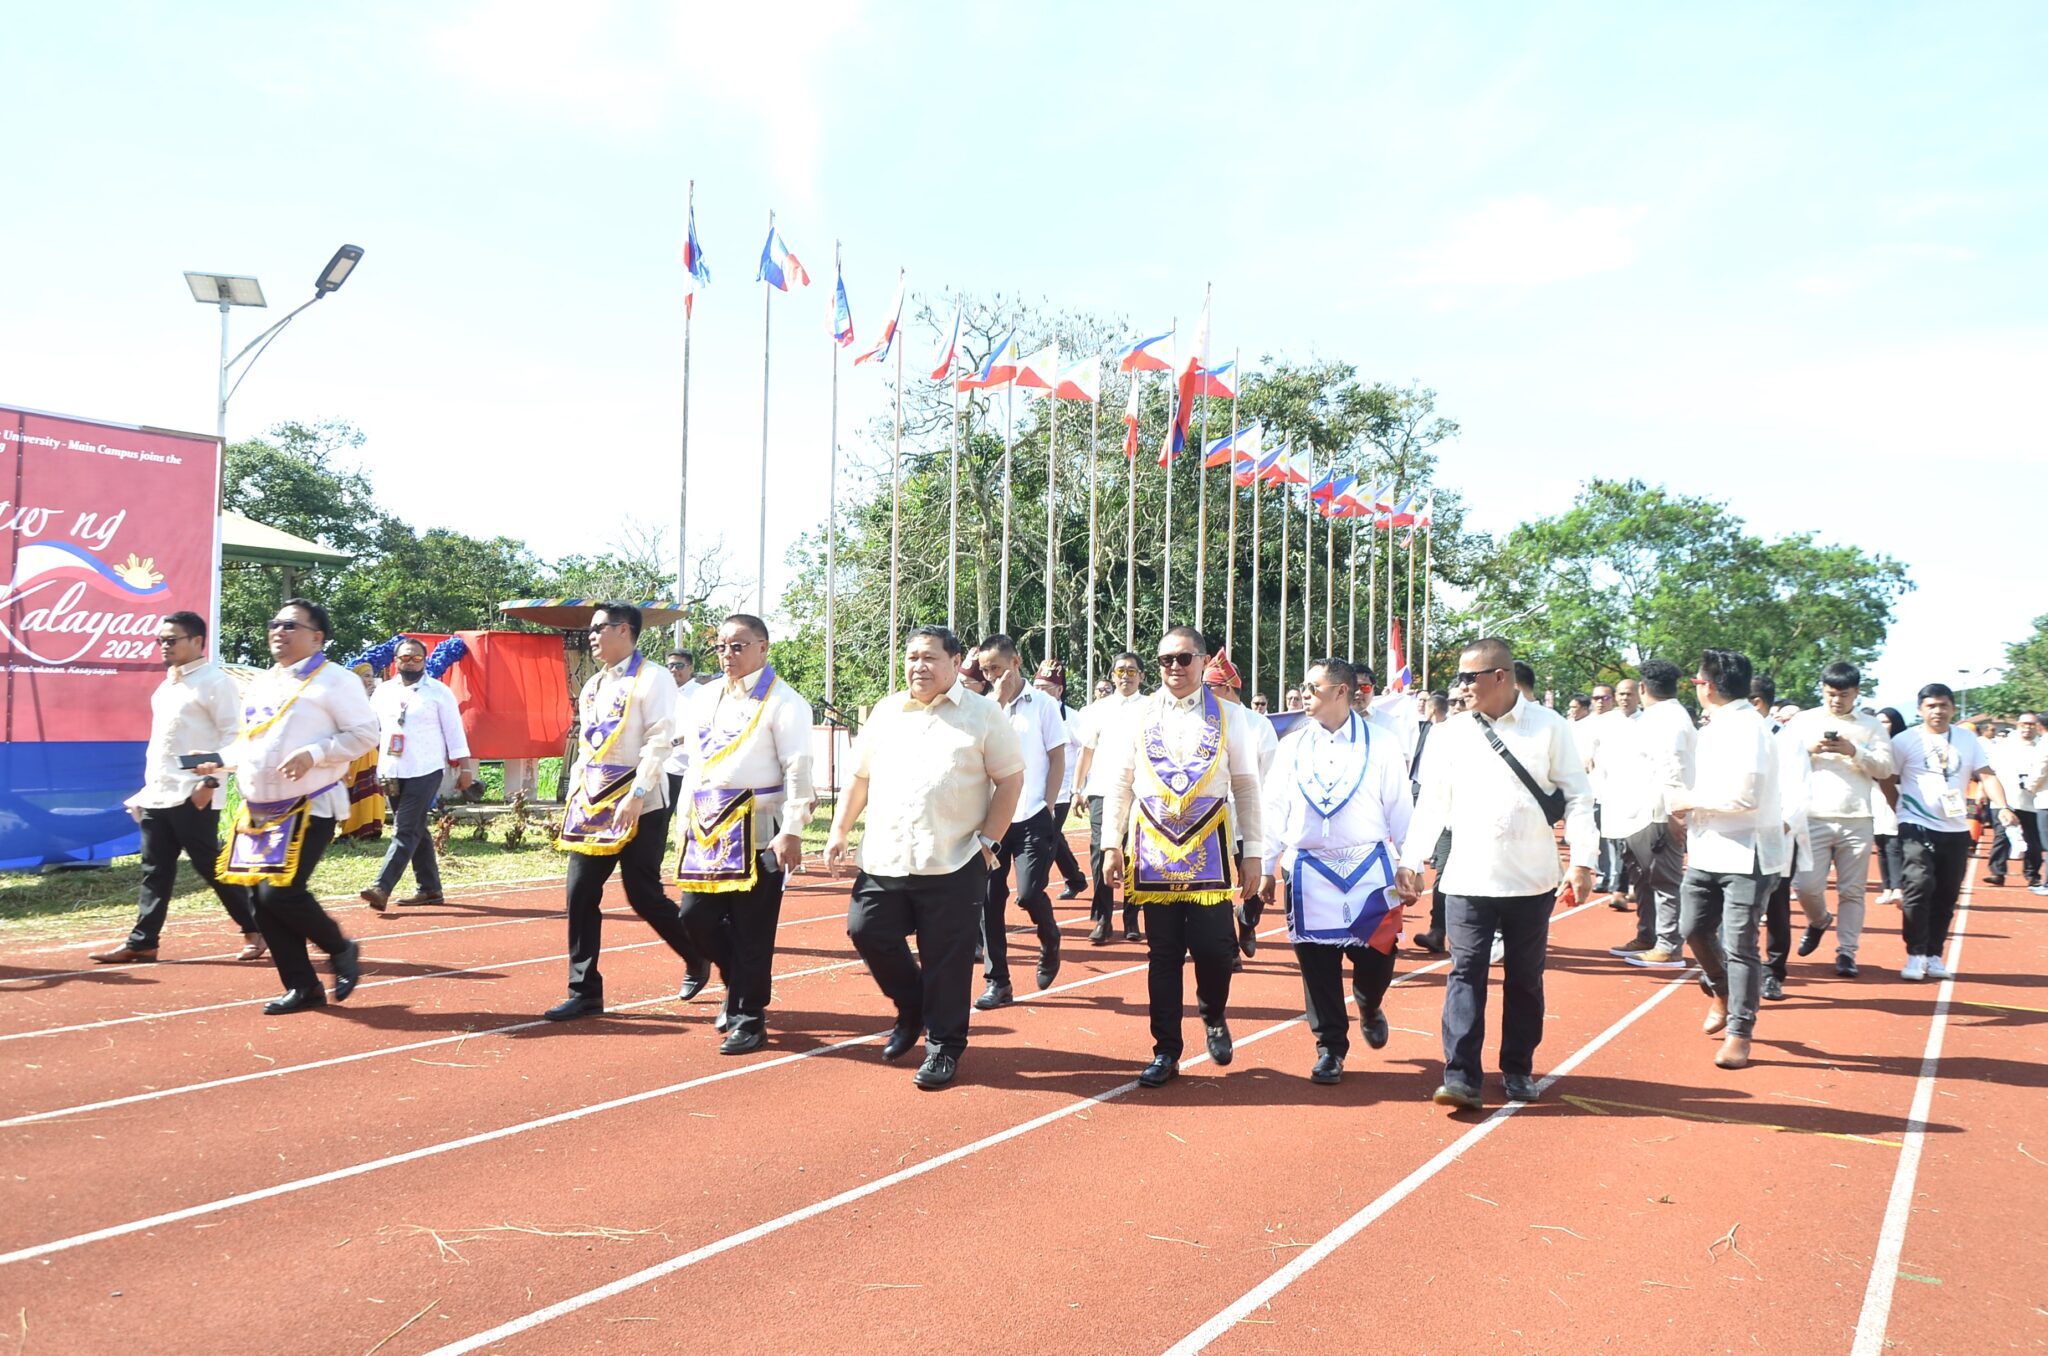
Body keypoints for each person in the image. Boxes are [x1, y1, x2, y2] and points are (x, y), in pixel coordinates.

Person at [1397, 638, 1594, 1111]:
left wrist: (1583, 860)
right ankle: (1461, 1075)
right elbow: (1432, 804)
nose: (1461, 686)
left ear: (1500, 677)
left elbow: (1579, 796)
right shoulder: (1450, 734)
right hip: (1467, 877)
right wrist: (1411, 860)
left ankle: (1518, 1067)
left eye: (1470, 677)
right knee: (1465, 972)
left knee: (1525, 979)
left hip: (1532, 879)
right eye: (1461, 678)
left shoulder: (1550, 728)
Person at [826, 625, 1023, 1090]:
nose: (919, 665)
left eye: (930, 657)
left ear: (956, 663)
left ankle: (943, 1047)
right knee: (866, 929)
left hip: (954, 859)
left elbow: (1011, 780)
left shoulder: (984, 714)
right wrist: (838, 831)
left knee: (947, 959)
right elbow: (859, 778)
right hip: (885, 856)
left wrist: (989, 841)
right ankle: (911, 1006)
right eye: (912, 657)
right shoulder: (887, 711)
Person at [1101, 626, 1267, 1089]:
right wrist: (1110, 844)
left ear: (1200, 661)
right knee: (1163, 954)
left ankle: (1213, 1013)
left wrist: (1253, 853)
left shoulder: (1231, 717)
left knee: (1216, 950)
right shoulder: (1138, 716)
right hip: (1152, 846)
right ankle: (1165, 1051)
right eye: (1165, 660)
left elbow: (1247, 786)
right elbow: (1120, 781)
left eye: (1183, 659)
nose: (1174, 667)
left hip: (1209, 844)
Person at [197, 598, 378, 1013]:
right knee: (260, 902)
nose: (278, 631)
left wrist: (315, 753)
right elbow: (251, 741)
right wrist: (218, 764)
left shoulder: (335, 680)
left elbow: (366, 734)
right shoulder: (263, 682)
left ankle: (339, 946)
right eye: (274, 624)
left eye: (290, 626)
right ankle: (302, 985)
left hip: (309, 804)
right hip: (258, 809)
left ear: (317, 637)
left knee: (280, 894)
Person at [544, 602, 710, 1021]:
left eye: (599, 628)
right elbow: (586, 748)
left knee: (643, 894)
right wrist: (573, 799)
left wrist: (637, 794)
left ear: (625, 630)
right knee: (579, 893)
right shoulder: (593, 686)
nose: (593, 636)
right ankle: (584, 990)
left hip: (643, 802)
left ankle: (698, 955)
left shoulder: (653, 679)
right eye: (592, 629)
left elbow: (659, 741)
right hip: (594, 804)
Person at [1264, 658, 1413, 1085]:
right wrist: (1267, 863)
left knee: (1378, 956)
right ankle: (1330, 1047)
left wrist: (1409, 863)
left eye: (1314, 686)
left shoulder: (1381, 743)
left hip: (1368, 865)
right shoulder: (1291, 746)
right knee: (1317, 966)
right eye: (1304, 686)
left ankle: (1368, 1000)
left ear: (1343, 692)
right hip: (1309, 868)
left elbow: (1400, 806)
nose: (1304, 693)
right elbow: (1275, 807)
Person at [672, 613, 814, 1054]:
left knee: (754, 929)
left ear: (763, 648)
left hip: (758, 828)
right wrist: (682, 826)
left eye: (739, 646)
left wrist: (792, 829)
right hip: (708, 828)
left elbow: (798, 769)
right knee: (693, 918)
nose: (728, 655)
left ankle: (749, 1019)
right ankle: (739, 987)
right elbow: (695, 766)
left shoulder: (785, 702)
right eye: (721, 647)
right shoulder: (705, 697)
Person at [91, 610, 264, 965]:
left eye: (172, 640)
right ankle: (143, 941)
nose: (164, 646)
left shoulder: (216, 682)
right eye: (161, 641)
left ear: (197, 641)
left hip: (194, 792)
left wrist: (210, 781)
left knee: (210, 865)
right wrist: (146, 791)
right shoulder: (166, 685)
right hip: (158, 791)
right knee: (155, 869)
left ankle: (255, 929)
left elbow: (234, 737)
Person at [1668, 649, 1786, 1069]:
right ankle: (1721, 989)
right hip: (1706, 849)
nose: (1696, 691)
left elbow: (1746, 797)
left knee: (1740, 943)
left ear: (1710, 686)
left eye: (1697, 683)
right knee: (1692, 929)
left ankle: (1740, 1030)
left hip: (1747, 854)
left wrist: (1688, 800)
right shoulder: (1716, 725)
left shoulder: (1749, 728)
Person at [1890, 684, 2019, 979]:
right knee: (1918, 886)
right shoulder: (1905, 740)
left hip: (1956, 828)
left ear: (1952, 708)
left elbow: (1985, 774)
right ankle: (1915, 953)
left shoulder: (1966, 739)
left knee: (1947, 894)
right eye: (1931, 706)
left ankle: (1934, 954)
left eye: (1944, 705)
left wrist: (2003, 806)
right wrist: (1898, 807)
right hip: (1916, 823)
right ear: (1920, 709)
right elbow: (1889, 778)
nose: (1938, 711)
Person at [970, 635, 1068, 1011]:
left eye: (997, 667)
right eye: (986, 670)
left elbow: (1057, 758)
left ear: (1016, 662)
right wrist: (993, 703)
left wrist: (1048, 805)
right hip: (992, 819)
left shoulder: (1043, 705)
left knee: (1028, 894)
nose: (992, 675)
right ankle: (998, 982)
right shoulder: (981, 708)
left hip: (1031, 815)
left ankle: (1049, 937)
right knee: (989, 901)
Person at [1781, 663, 1895, 979]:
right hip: (1812, 817)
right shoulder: (1803, 721)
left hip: (1857, 818)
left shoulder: (1872, 726)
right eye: (1831, 694)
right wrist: (1808, 750)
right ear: (1822, 689)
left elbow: (1885, 768)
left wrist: (1853, 750)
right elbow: (1780, 758)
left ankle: (1847, 952)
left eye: (1843, 695)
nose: (1836, 701)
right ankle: (1818, 920)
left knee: (1853, 891)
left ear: (1856, 692)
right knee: (1805, 886)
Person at [361, 638, 472, 914]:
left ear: (424, 660)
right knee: (416, 829)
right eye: (405, 658)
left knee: (405, 828)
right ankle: (430, 888)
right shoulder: (383, 692)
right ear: (395, 661)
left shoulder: (438, 692)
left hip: (426, 769)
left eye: (416, 658)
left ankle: (381, 886)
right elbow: (369, 729)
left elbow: (454, 732)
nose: (410, 662)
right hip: (392, 770)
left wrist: (466, 768)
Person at [1604, 660, 1696, 969]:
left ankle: (1669, 945)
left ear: (1642, 688)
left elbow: (1673, 767)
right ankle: (1648, 935)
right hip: (1639, 814)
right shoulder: (1658, 716)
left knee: (1664, 879)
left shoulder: (1668, 719)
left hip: (1659, 814)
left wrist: (1674, 813)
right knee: (1643, 878)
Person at [1205, 650, 1277, 960]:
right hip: (1213, 819)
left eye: (1210, 687)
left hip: (1251, 817)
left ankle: (1247, 920)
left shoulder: (1258, 725)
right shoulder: (1203, 722)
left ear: (1228, 688)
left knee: (1254, 885)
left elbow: (1271, 777)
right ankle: (1228, 948)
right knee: (1218, 888)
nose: (1203, 693)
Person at [1074, 651, 1148, 944]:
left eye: (1132, 671)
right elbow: (1086, 751)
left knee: (1134, 854)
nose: (1126, 676)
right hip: (1103, 790)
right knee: (1100, 853)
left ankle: (1132, 916)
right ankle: (1103, 918)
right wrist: (1076, 789)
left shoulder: (1152, 707)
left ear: (1142, 676)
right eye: (1120, 671)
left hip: (1140, 791)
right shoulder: (1097, 709)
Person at [1033, 658, 1093, 901]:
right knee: (1055, 838)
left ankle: (1034, 887)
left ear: (1059, 690)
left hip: (1061, 791)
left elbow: (1089, 748)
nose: (1040, 693)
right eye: (1036, 687)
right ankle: (1076, 879)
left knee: (1047, 838)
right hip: (1033, 789)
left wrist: (1083, 787)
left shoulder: (1072, 718)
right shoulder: (1030, 710)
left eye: (1046, 688)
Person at [1986, 712, 2047, 887]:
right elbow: (1990, 772)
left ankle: (2032, 873)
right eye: (2023, 724)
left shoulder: (2041, 745)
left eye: (2031, 724)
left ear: (2038, 727)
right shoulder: (2003, 745)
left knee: (2033, 839)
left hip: (2031, 801)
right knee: (2001, 835)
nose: (2027, 728)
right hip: (2004, 798)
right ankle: (1997, 872)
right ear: (2017, 725)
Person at [337, 665, 388, 840]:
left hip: (372, 752)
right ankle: (352, 829)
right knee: (354, 789)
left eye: (371, 676)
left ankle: (372, 828)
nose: (369, 679)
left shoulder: (376, 699)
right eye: (365, 676)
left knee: (372, 788)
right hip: (353, 752)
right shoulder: (344, 700)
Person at [662, 649, 697, 807]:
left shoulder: (701, 694)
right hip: (666, 766)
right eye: (670, 666)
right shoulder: (664, 693)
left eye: (679, 665)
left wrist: (676, 741)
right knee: (662, 818)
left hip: (692, 767)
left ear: (690, 667)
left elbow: (703, 727)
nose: (674, 670)